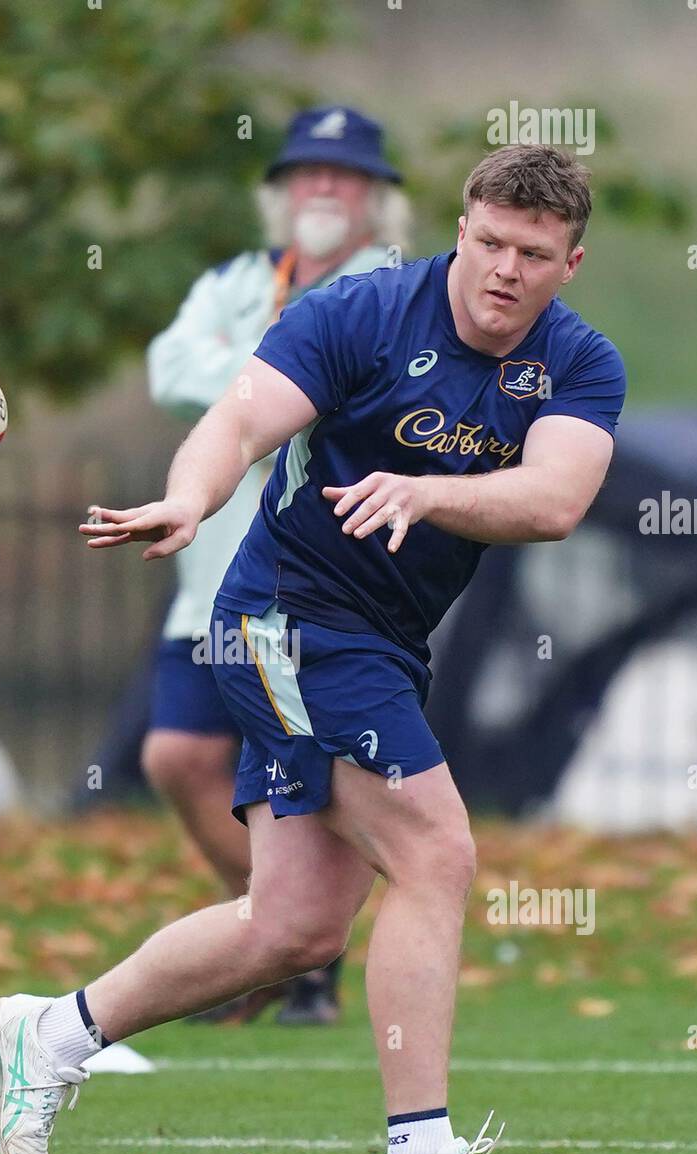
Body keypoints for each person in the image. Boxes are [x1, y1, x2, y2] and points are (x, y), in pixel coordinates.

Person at [0, 144, 625, 1154]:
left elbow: (555, 499)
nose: (505, 269)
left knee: (292, 927)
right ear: (460, 230)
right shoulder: (360, 313)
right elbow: (237, 419)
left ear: (571, 263)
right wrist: (191, 496)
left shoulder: (580, 361)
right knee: (436, 849)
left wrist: (426, 493)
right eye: (491, 243)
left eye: (534, 253)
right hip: (286, 617)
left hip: (380, 641)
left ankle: (49, 1034)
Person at [143, 106, 410, 1024]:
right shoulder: (234, 281)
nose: (323, 189)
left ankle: (298, 946)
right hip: (210, 587)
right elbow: (171, 367)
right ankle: (275, 939)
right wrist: (284, 379)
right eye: (307, 173)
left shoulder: (396, 291)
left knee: (324, 783)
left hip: (321, 595)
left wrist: (273, 378)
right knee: (178, 756)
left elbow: (374, 394)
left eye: (344, 175)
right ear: (283, 193)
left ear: (376, 197)